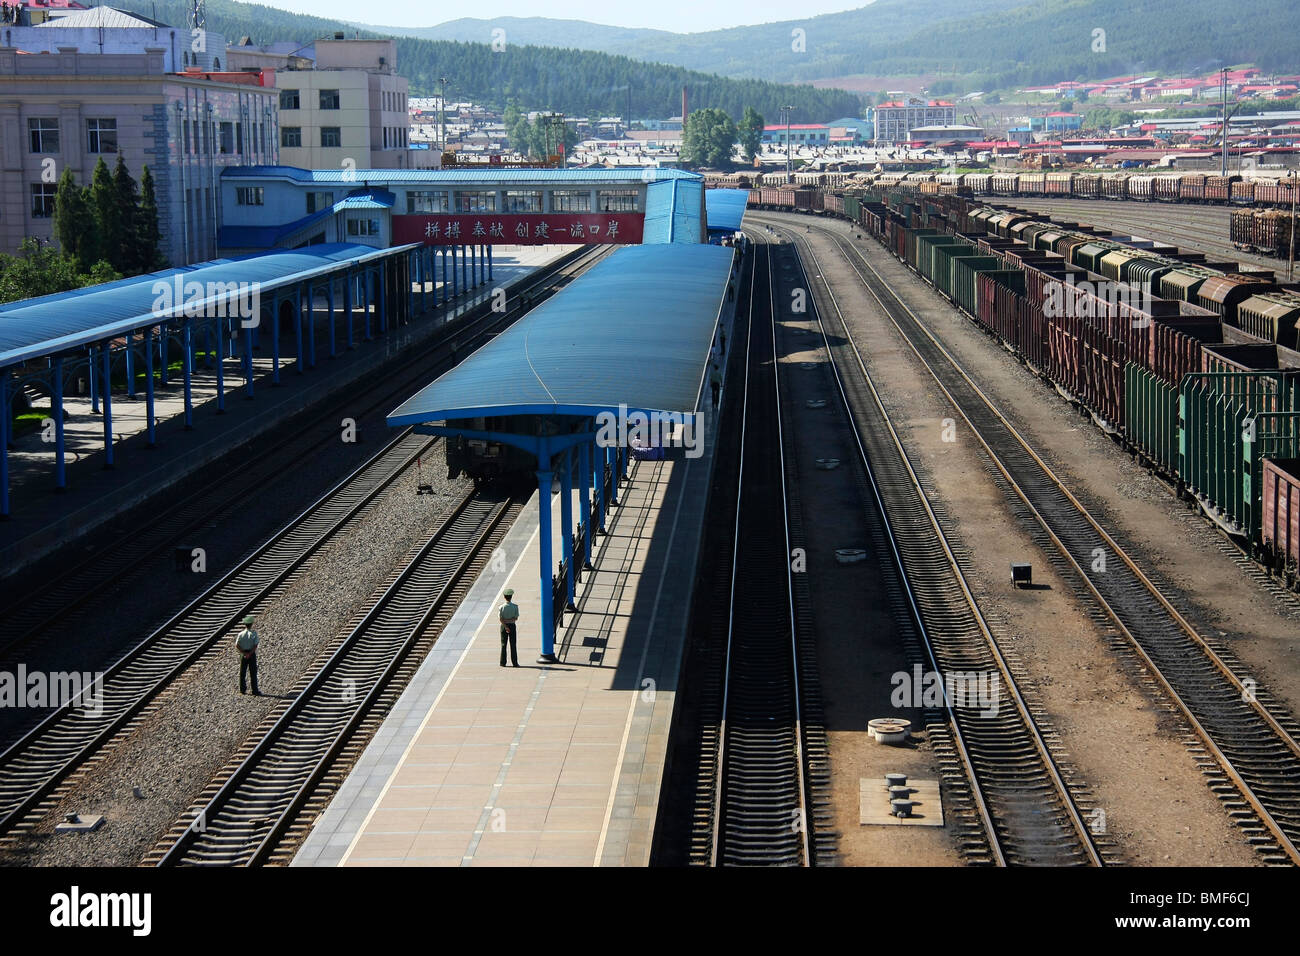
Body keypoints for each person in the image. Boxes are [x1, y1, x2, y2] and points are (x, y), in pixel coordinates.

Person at [236, 615, 261, 695]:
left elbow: (237, 645)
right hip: (251, 654)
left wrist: (244, 653)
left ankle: (242, 690)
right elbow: (255, 645)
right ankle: (254, 690)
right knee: (253, 672)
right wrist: (250, 653)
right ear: (251, 624)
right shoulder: (253, 634)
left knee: (242, 672)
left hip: (243, 654)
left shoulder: (240, 634)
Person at [499, 588, 520, 667]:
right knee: (513, 644)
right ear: (511, 597)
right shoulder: (515, 607)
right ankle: (515, 662)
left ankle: (503, 662)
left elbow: (500, 619)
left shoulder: (501, 607)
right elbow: (516, 618)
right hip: (512, 626)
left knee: (503, 645)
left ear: (504, 597)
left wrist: (505, 626)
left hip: (504, 626)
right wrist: (510, 622)